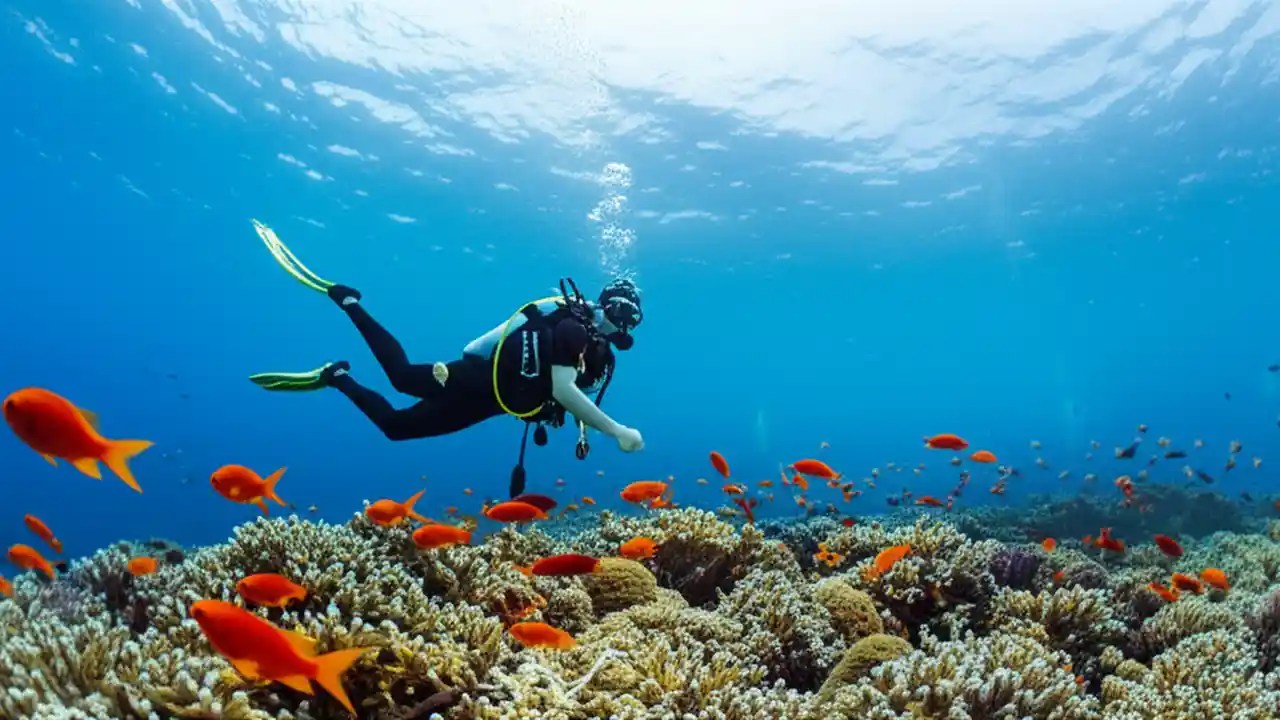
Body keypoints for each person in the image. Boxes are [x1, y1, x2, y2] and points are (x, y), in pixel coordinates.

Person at [250, 261, 645, 495]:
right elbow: (562, 388)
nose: (620, 322)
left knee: (396, 428)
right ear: (603, 303)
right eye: (617, 310)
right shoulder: (572, 328)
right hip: (477, 376)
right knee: (402, 377)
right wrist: (617, 431)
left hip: (490, 402)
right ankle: (348, 300)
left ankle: (336, 375)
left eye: (630, 317)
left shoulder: (600, 357)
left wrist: (582, 424)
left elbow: (571, 398)